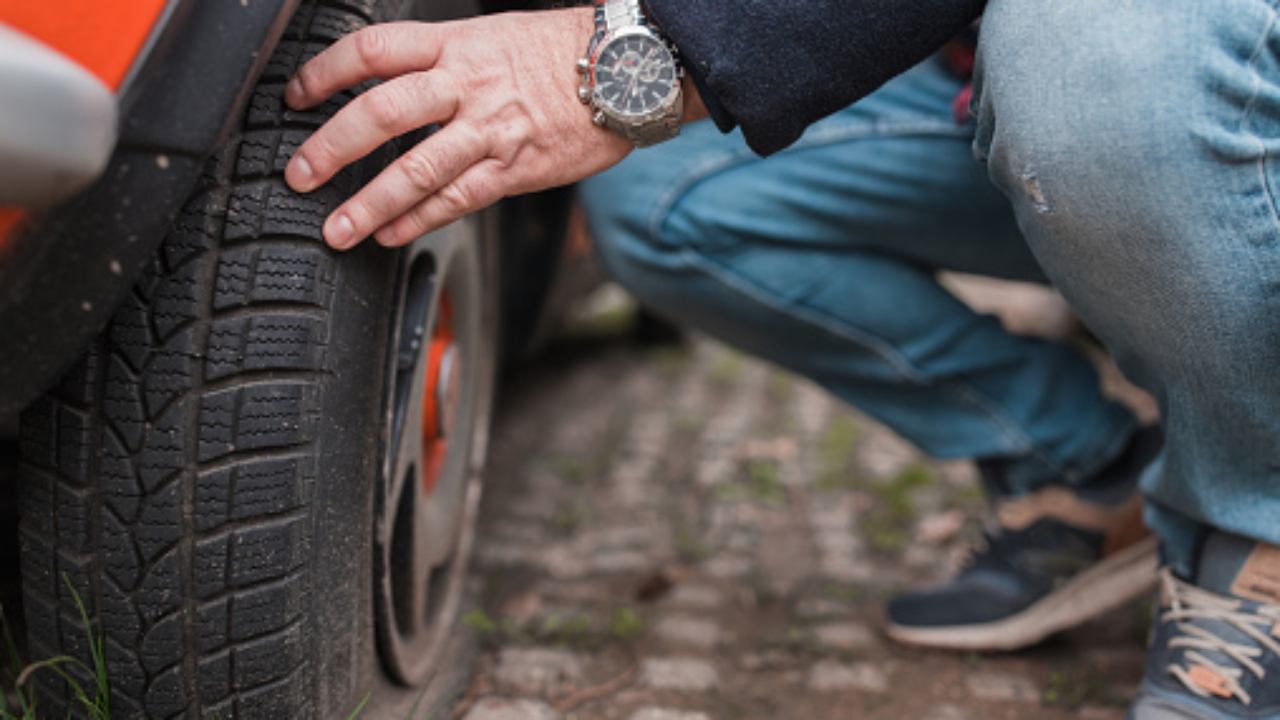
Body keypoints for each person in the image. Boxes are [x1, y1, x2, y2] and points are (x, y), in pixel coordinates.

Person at [281, 2, 1280, 717]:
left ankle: (1251, 528)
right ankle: (1081, 467)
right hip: (991, 103)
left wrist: (641, 47)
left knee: (1097, 52)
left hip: (1209, 107)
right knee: (661, 188)